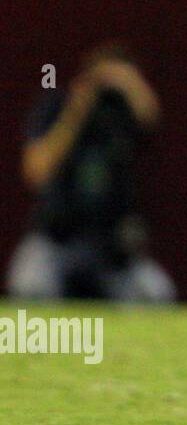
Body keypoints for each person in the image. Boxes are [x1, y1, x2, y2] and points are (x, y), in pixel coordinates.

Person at [7, 44, 174, 303]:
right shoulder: (57, 107)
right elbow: (36, 172)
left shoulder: (123, 115)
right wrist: (78, 109)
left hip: (112, 245)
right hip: (57, 237)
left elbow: (151, 118)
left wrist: (129, 84)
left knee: (154, 294)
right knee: (31, 289)